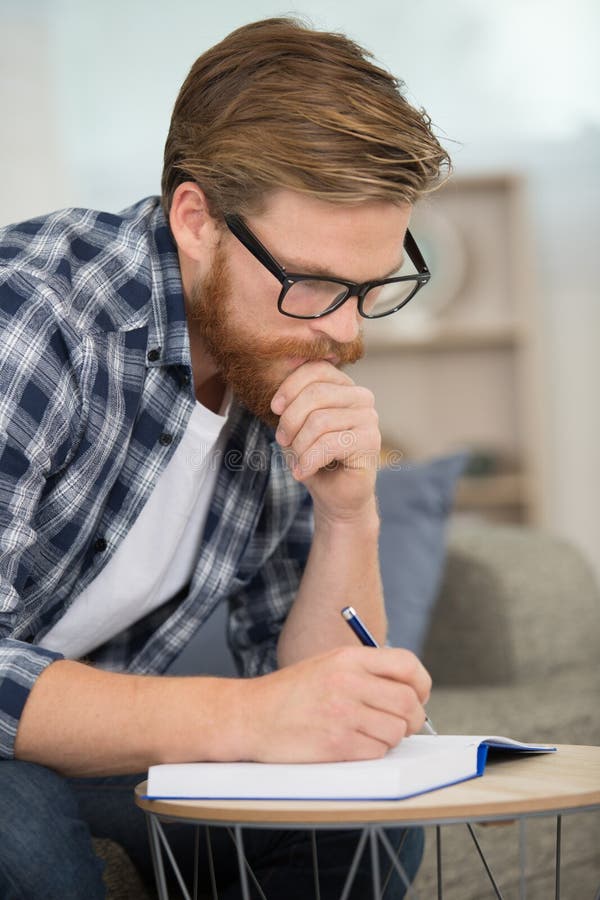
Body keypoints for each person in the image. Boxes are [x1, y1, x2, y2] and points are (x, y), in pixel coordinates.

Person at [0, 16, 450, 899]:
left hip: (73, 752)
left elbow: (309, 694)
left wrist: (348, 515)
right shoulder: (34, 320)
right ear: (196, 219)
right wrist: (250, 716)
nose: (344, 333)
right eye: (312, 282)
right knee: (24, 839)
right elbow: (269, 708)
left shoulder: (267, 360)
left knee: (357, 824)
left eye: (370, 289)